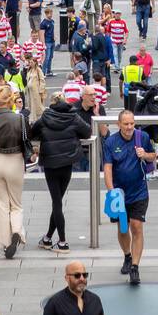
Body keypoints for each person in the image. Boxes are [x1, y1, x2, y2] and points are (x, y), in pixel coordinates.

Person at [30, 93, 92, 253]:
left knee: (56, 202)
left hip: (51, 164)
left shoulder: (45, 118)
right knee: (57, 201)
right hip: (67, 162)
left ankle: (62, 241)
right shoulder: (73, 116)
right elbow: (87, 132)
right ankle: (48, 237)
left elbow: (31, 134)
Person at [103, 109, 157, 285]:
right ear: (119, 124)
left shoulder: (143, 137)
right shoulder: (111, 142)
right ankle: (127, 255)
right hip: (119, 193)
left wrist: (145, 154)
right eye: (125, 124)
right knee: (123, 228)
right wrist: (111, 191)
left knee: (137, 226)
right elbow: (108, 168)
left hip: (139, 190)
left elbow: (152, 157)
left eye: (132, 123)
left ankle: (135, 267)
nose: (129, 127)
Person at [0, 82, 31, 259]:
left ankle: (5, 242)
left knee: (1, 204)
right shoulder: (20, 119)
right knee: (16, 203)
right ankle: (17, 230)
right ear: (11, 100)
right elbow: (28, 139)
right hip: (15, 159)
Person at [42, 261, 107, 315]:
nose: (82, 279)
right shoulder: (54, 303)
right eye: (77, 275)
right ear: (67, 278)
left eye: (84, 275)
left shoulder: (95, 300)